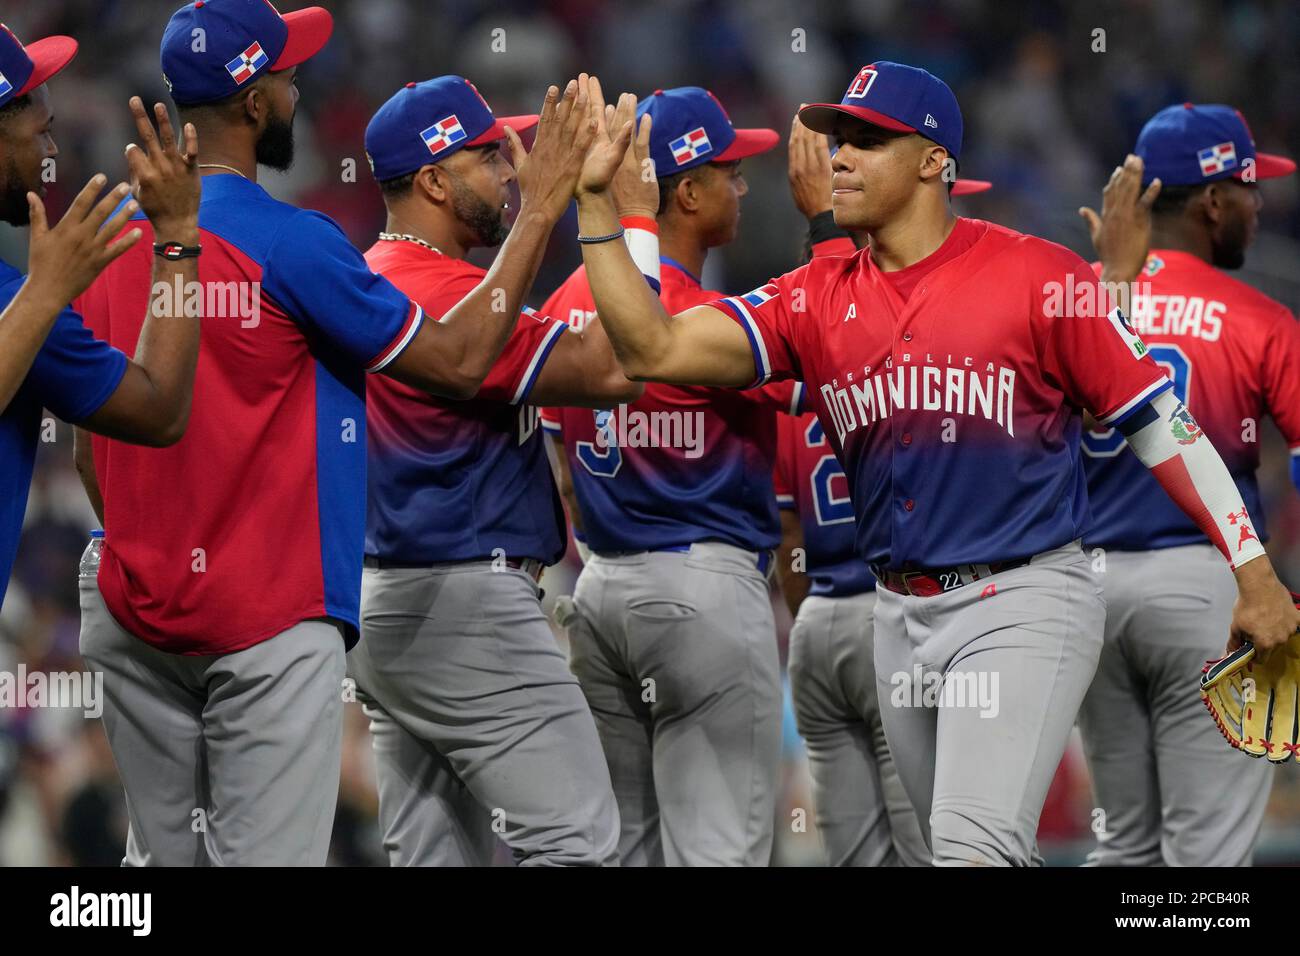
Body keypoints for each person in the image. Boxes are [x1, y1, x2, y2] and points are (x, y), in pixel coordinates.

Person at [566, 63, 1300, 865]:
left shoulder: (1044, 276)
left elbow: (1162, 424)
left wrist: (1256, 572)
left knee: (971, 851)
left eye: (867, 140)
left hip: (1021, 594)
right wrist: (603, 211)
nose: (838, 156)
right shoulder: (812, 296)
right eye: (839, 138)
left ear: (931, 161)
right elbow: (652, 346)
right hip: (896, 614)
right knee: (943, 855)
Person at [73, 0, 604, 866]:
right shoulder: (297, 243)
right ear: (252, 104)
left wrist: (146, 544)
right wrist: (541, 210)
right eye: (283, 74)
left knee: (159, 867)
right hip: (265, 615)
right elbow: (461, 361)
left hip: (133, 600)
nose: (297, 87)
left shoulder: (112, 238)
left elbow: (90, 434)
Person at [349, 73, 639, 866]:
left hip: (382, 599)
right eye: (488, 158)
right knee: (576, 840)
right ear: (434, 180)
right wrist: (624, 215)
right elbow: (620, 367)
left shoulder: (371, 273)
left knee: (433, 854)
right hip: (463, 598)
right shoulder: (442, 287)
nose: (514, 172)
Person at [541, 86, 798, 866]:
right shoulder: (711, 321)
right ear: (685, 191)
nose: (743, 186)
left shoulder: (565, 300)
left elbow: (558, 469)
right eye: (730, 171)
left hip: (599, 590)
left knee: (622, 848)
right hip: (705, 591)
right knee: (719, 849)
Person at [1076, 102, 1300, 866]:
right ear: (1211, 201)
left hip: (1084, 591)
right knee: (1207, 858)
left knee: (1120, 844)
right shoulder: (1260, 317)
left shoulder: (1077, 297)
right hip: (1211, 588)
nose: (1258, 206)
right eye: (1246, 189)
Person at [0, 24, 202, 601]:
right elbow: (160, 410)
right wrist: (178, 239)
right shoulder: (21, 301)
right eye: (41, 132)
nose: (52, 152)